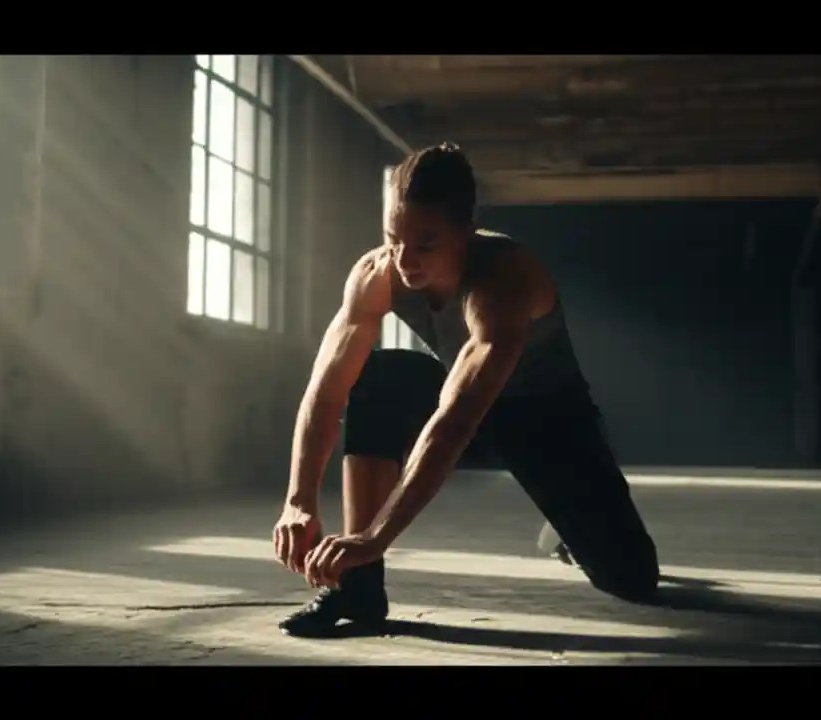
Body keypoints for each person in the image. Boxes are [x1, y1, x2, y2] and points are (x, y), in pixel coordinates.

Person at [271, 142, 660, 636]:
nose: (405, 259)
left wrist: (375, 536)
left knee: (631, 578)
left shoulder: (502, 281)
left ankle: (561, 524)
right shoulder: (378, 274)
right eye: (394, 238)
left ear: (466, 231)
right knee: (377, 378)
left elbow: (454, 424)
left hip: (544, 418)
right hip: (461, 397)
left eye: (426, 244)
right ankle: (358, 590)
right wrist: (298, 500)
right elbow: (325, 391)